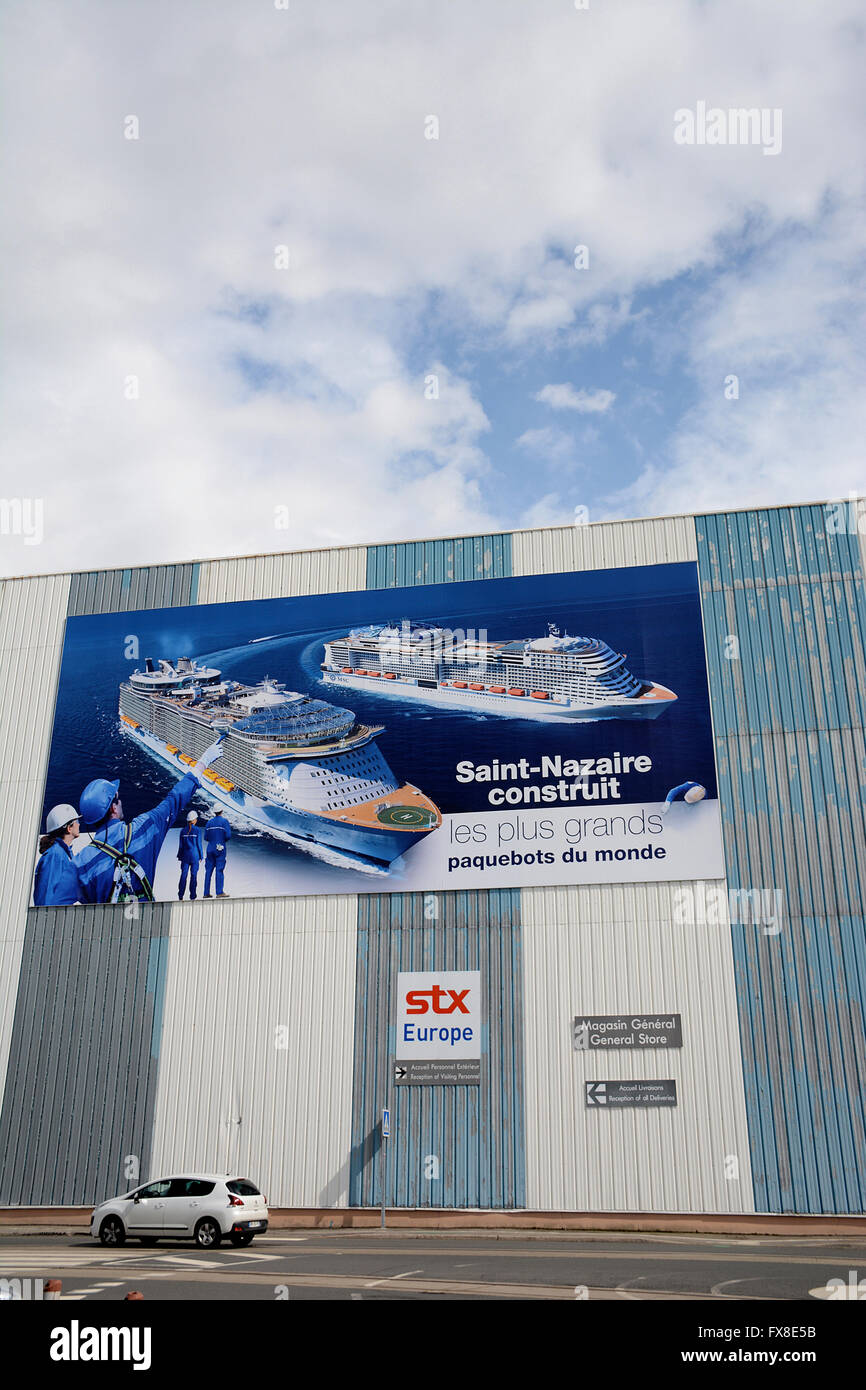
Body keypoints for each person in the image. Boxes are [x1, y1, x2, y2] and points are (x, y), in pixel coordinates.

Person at [76, 742, 223, 904]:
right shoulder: (143, 828)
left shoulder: (81, 863)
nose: (121, 801)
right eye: (118, 798)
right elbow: (174, 799)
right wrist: (203, 762)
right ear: (113, 808)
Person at [33, 804, 89, 906]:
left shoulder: (61, 853)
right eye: (77, 821)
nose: (79, 824)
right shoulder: (55, 856)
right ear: (69, 828)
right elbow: (47, 898)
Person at [202, 810, 232, 897]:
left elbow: (206, 837)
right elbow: (228, 836)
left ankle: (206, 893)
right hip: (220, 848)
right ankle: (219, 892)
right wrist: (221, 840)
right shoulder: (224, 821)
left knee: (208, 871)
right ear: (222, 811)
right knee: (219, 870)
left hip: (210, 848)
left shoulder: (209, 822)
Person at [177, 810, 203, 900]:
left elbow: (181, 845)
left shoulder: (182, 831)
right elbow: (199, 844)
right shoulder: (198, 830)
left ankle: (180, 895)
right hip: (195, 856)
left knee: (183, 875)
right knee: (194, 875)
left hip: (185, 856)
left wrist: (179, 856)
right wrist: (201, 856)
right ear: (194, 820)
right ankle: (192, 896)